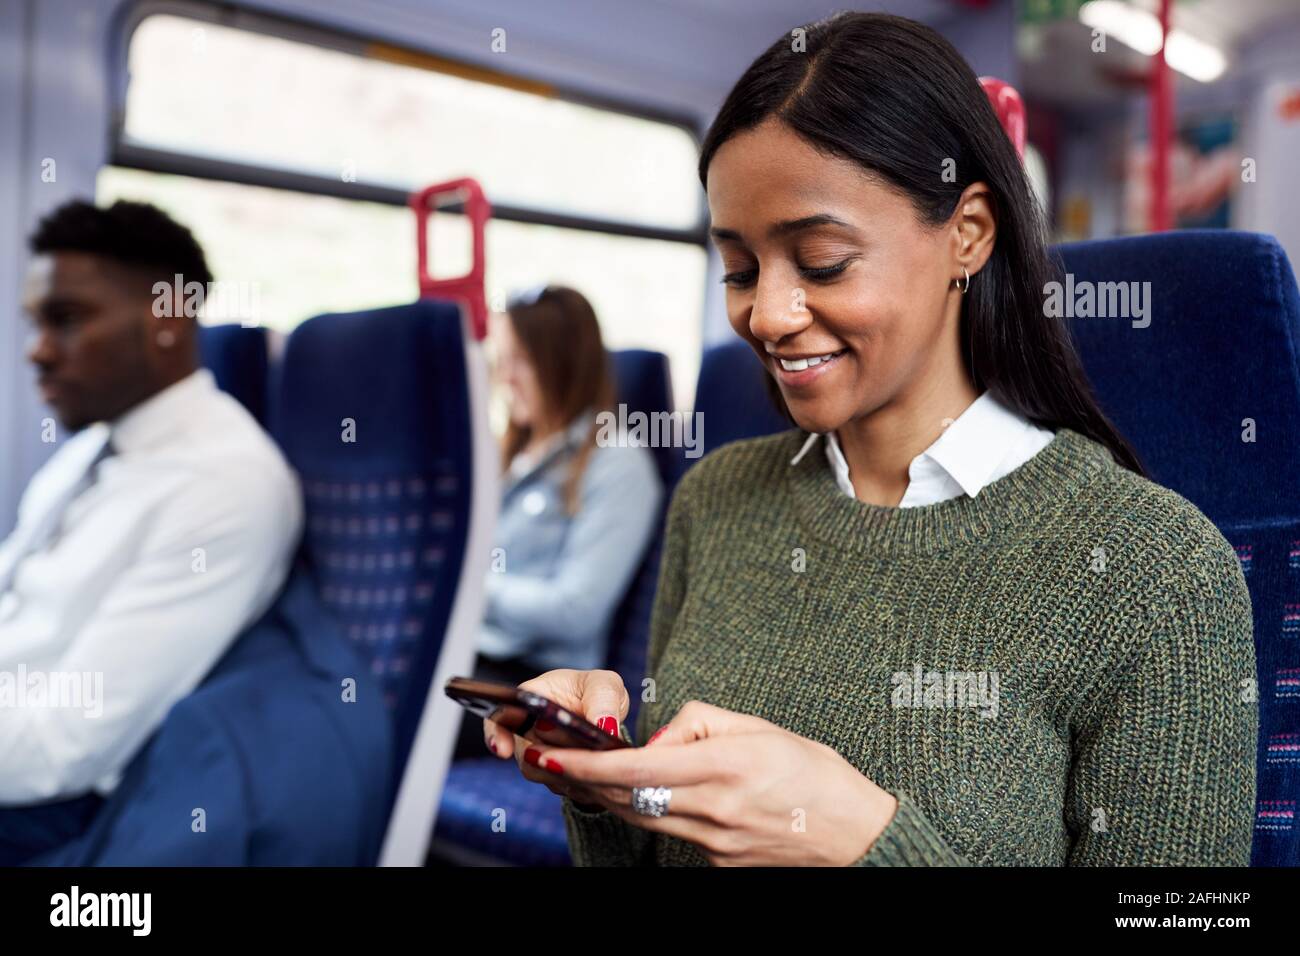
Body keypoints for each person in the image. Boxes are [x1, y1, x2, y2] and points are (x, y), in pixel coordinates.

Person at [487, 13, 1257, 865]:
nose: (766, 316)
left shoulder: (1157, 572)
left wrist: (865, 843)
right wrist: (604, 787)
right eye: (739, 270)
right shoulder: (713, 501)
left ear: (967, 234)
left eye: (820, 263)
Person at [0, 200, 301, 863]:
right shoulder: (92, 447)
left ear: (166, 319)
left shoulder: (226, 486)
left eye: (66, 320)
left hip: (45, 803)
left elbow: (66, 746)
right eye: (35, 323)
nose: (37, 350)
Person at [451, 286, 661, 760]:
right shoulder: (511, 455)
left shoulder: (617, 464)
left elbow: (576, 609)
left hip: (533, 679)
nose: (505, 378)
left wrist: (470, 591)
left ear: (561, 365)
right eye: (500, 361)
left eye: (519, 361)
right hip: (472, 657)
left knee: (380, 721)